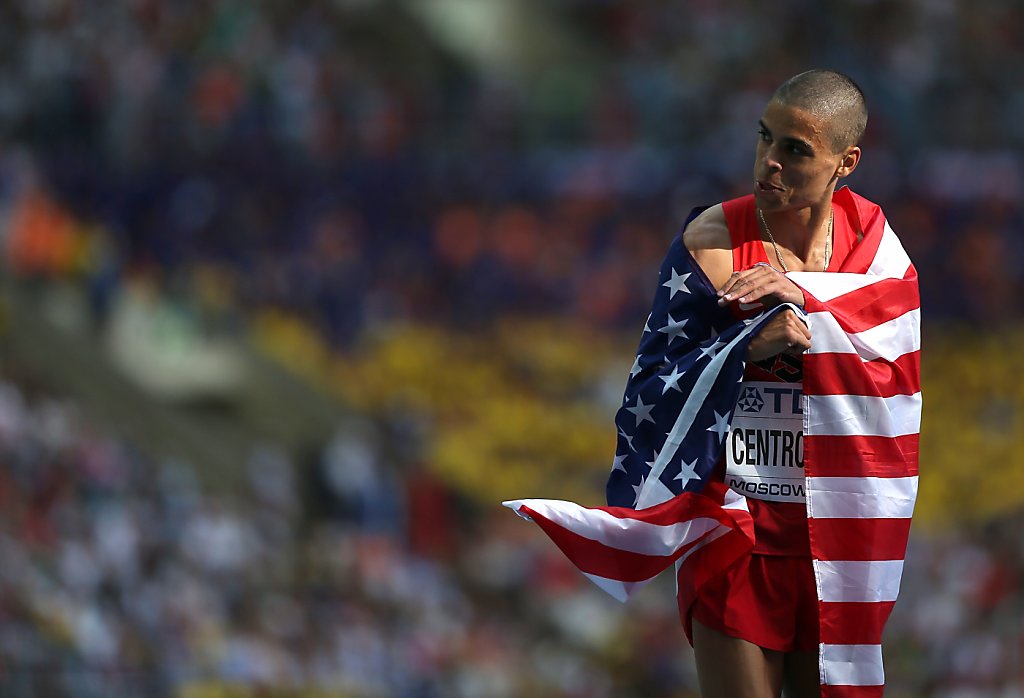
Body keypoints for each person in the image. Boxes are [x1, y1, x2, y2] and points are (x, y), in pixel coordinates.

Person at [506, 69, 920, 698]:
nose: (770, 163)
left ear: (847, 162)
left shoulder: (879, 255)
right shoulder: (713, 245)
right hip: (737, 527)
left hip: (832, 532)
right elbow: (650, 391)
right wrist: (749, 346)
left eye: (796, 149)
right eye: (765, 138)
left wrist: (810, 306)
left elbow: (897, 376)